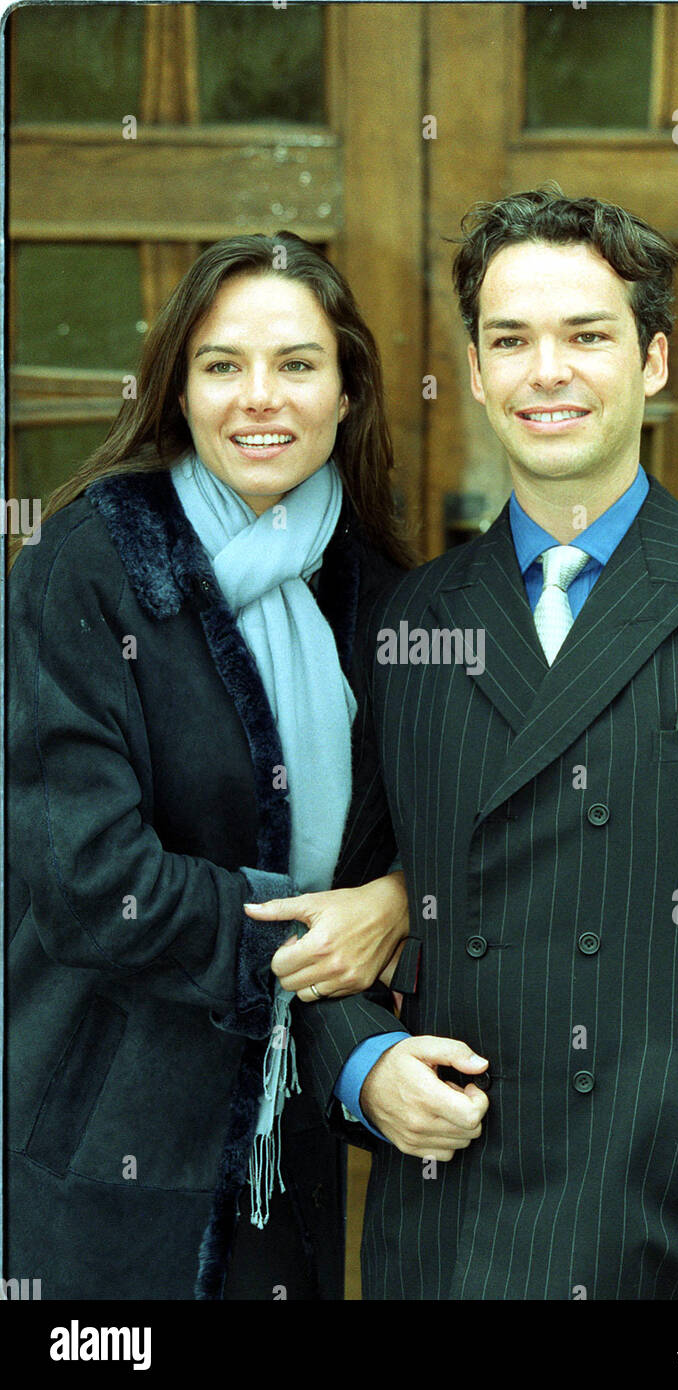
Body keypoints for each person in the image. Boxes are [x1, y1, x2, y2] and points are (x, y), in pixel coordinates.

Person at [272, 190, 678, 1300]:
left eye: (586, 336)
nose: (547, 371)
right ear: (478, 373)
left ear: (652, 360)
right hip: (459, 1216)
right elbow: (333, 903)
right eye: (511, 341)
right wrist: (363, 1064)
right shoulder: (406, 622)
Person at [5, 231, 412, 1300]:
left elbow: (431, 834)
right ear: (177, 390)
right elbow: (90, 883)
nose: (258, 398)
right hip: (105, 1142)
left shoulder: (379, 593)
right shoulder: (87, 563)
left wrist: (396, 898)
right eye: (221, 364)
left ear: (348, 390)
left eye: (296, 363)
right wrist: (316, 923)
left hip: (289, 1148)